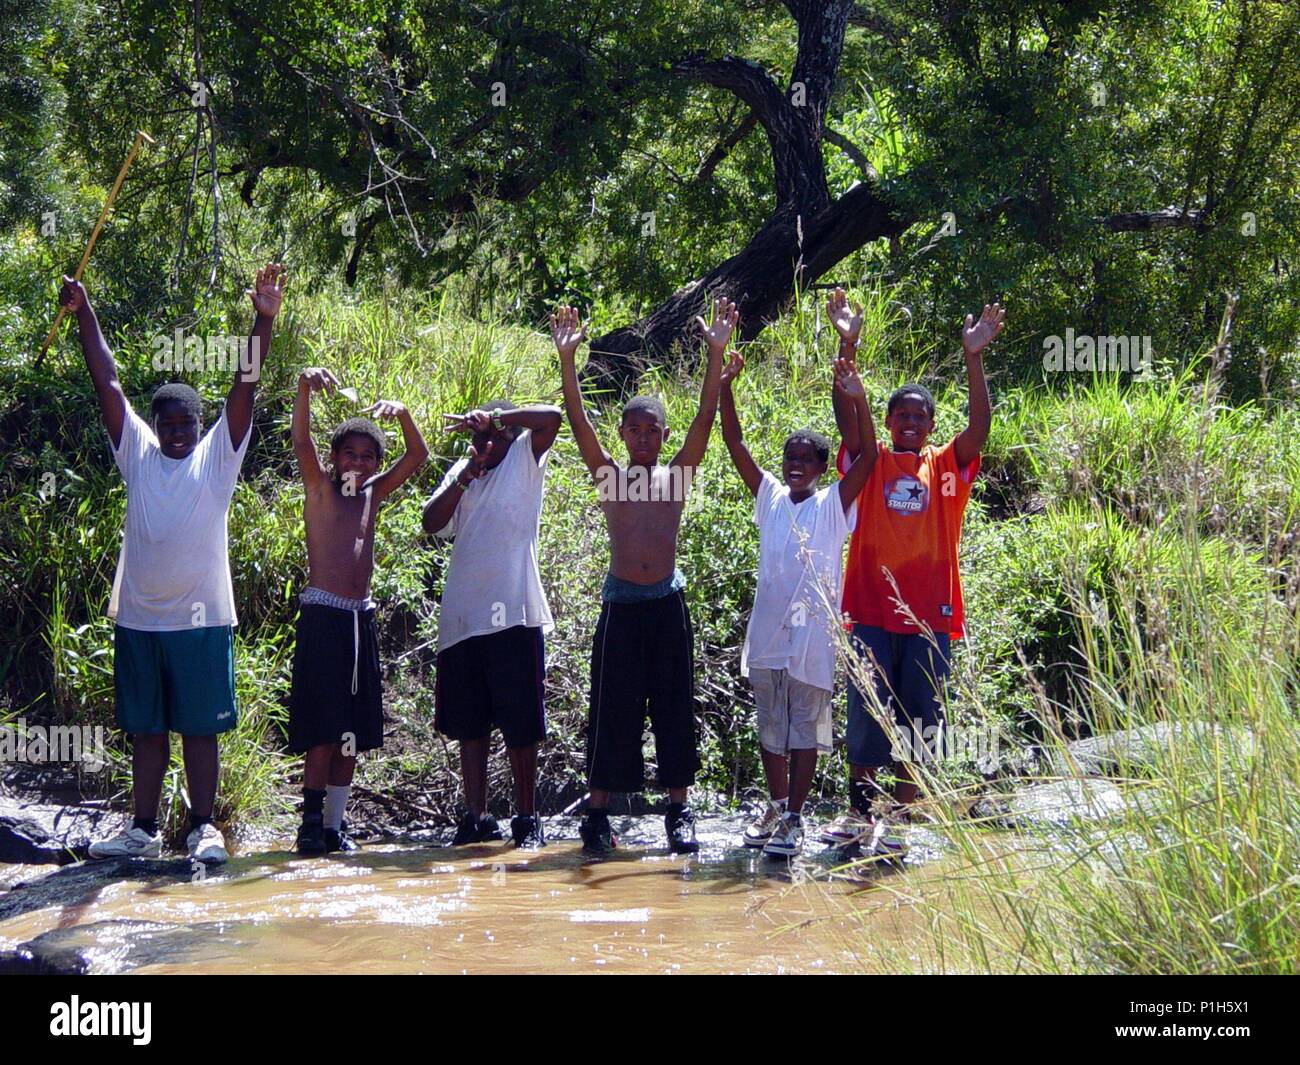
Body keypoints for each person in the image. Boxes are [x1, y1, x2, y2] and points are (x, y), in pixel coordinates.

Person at [64, 263, 285, 863]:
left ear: (200, 424)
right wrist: (84, 313)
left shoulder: (218, 458)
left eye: (189, 422)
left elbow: (244, 388)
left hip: (200, 620)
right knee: (147, 729)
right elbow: (107, 383)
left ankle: (202, 828)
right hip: (139, 617)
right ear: (155, 427)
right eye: (171, 424)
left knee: (199, 729)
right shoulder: (137, 453)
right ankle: (141, 827)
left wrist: (262, 319)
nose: (180, 432)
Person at [823, 288, 1004, 855]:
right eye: (899, 414)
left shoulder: (947, 466)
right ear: (888, 420)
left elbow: (979, 428)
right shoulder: (871, 460)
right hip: (871, 612)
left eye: (918, 415)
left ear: (929, 424)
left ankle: (901, 818)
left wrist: (973, 357)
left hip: (931, 617)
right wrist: (847, 343)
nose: (908, 421)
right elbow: (847, 420)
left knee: (921, 721)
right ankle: (859, 813)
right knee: (868, 712)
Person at [551, 299, 732, 855]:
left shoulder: (675, 477)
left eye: (653, 431)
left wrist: (716, 354)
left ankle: (679, 811)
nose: (644, 440)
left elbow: (705, 421)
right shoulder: (609, 479)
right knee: (612, 705)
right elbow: (579, 422)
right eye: (635, 431)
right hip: (622, 605)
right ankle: (597, 815)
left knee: (674, 702)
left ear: (662, 434)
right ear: (624, 435)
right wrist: (567, 360)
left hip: (666, 604)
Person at [717, 335, 875, 858]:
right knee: (771, 728)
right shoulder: (770, 497)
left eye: (807, 458)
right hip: (768, 635)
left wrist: (857, 395)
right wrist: (724, 388)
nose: (795, 465)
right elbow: (735, 445)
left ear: (822, 466)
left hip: (812, 640)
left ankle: (794, 817)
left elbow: (870, 456)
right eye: (789, 457)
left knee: (805, 729)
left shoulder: (833, 505)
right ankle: (776, 802)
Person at [288, 368, 429, 855]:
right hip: (324, 618)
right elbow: (300, 439)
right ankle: (308, 824)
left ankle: (333, 825)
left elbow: (418, 456)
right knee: (323, 727)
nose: (359, 462)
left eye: (368, 456)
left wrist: (405, 415)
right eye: (350, 453)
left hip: (359, 620)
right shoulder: (320, 488)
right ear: (334, 458)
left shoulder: (372, 494)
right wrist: (304, 389)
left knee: (350, 731)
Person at [420, 399, 562, 849]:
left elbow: (552, 417)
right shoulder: (464, 469)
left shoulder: (524, 457)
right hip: (464, 618)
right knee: (470, 726)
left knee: (522, 725)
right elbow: (431, 522)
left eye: (491, 434)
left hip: (514, 614)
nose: (483, 443)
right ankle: (476, 816)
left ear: (507, 433)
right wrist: (465, 476)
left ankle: (526, 818)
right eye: (476, 435)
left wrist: (502, 421)